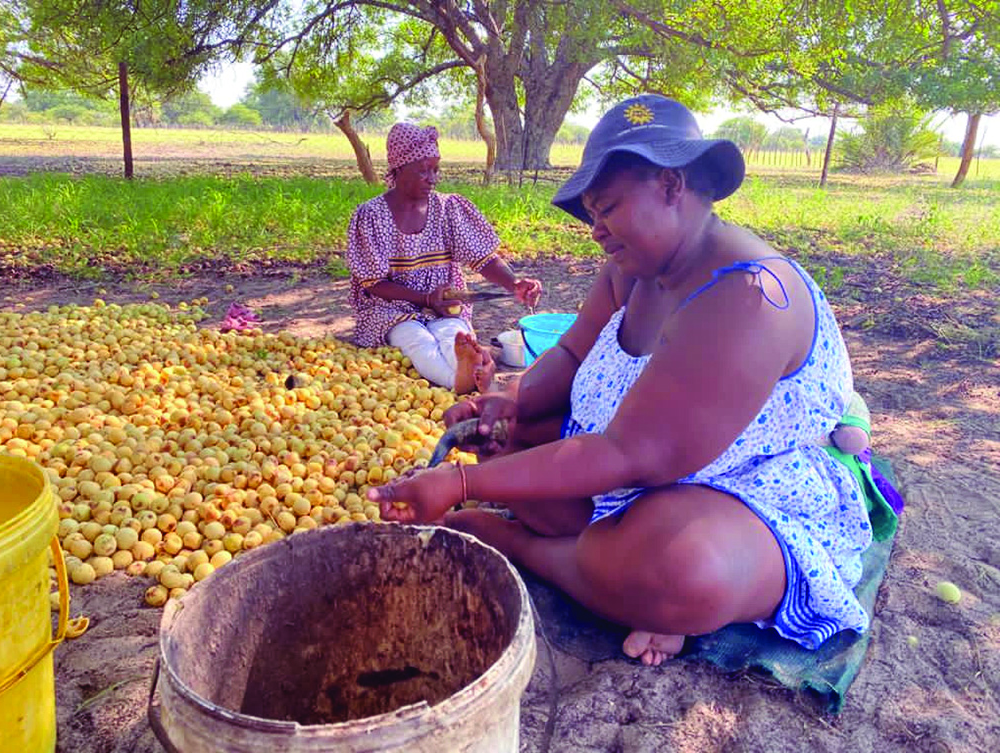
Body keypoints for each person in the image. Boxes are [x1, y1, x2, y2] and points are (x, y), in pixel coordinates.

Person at [368, 95, 878, 666]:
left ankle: (522, 546)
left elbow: (634, 450)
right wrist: (507, 403)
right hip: (625, 464)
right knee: (503, 436)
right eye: (591, 213)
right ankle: (594, 563)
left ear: (670, 185)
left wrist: (463, 489)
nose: (596, 231)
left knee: (680, 569)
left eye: (606, 207)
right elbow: (568, 352)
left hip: (743, 488)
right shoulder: (632, 269)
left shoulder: (749, 297)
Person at [346, 122, 542, 394]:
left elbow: (483, 259)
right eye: (422, 170)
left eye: (435, 169)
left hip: (444, 306)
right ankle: (462, 382)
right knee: (416, 340)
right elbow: (372, 283)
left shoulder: (447, 208)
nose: (432, 178)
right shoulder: (372, 216)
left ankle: (469, 369)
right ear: (399, 168)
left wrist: (514, 283)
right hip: (391, 310)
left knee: (454, 337)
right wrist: (425, 299)